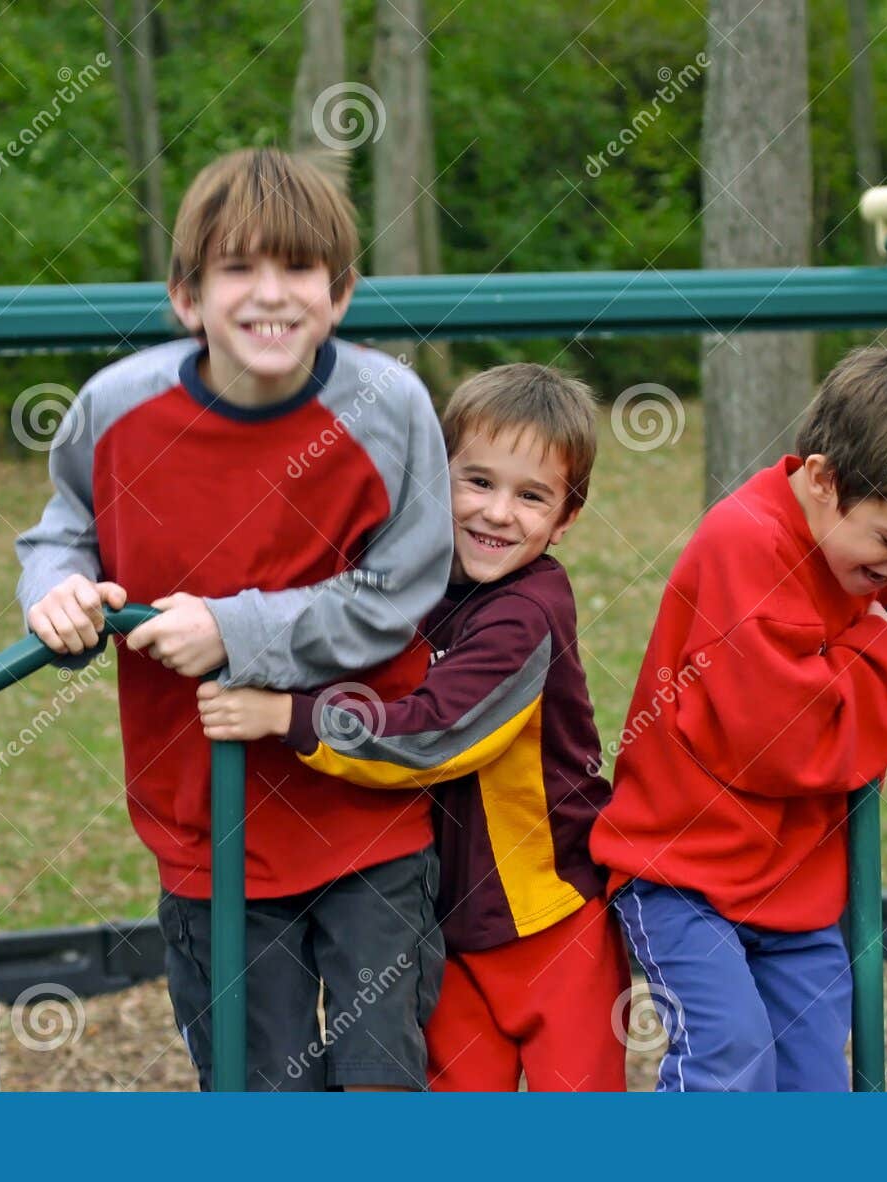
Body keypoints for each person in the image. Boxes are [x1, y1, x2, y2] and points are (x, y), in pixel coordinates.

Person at [14, 147, 452, 1091]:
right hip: (203, 820)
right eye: (238, 268)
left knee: (386, 1080)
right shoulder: (117, 410)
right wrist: (56, 588)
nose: (271, 294)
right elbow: (61, 533)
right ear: (186, 297)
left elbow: (402, 589)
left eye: (298, 268)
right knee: (259, 1090)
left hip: (364, 800)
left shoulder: (390, 407)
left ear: (338, 295)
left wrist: (238, 632)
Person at [199, 363, 629, 1091]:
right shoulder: (414, 582)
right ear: (434, 475)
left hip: (551, 915)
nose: (498, 512)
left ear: (566, 520)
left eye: (532, 497)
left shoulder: (527, 612)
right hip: (446, 923)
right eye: (479, 482)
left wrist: (288, 718)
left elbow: (433, 736)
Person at [591, 344, 887, 1092]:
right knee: (730, 1060)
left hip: (794, 888)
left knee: (813, 1082)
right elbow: (782, 736)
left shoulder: (853, 543)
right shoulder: (746, 543)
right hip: (687, 876)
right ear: (820, 478)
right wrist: (884, 644)